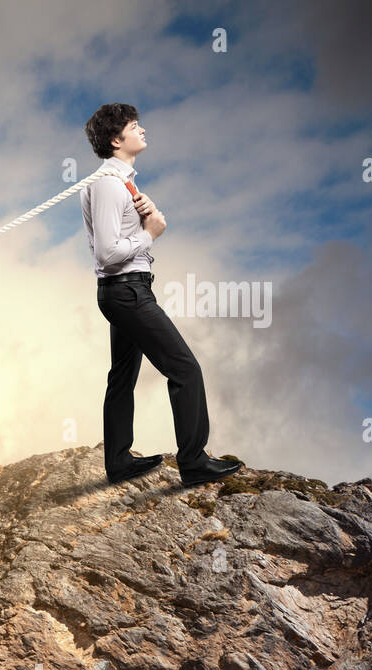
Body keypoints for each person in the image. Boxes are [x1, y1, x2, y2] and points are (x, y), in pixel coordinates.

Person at [80, 103, 243, 487]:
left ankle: (119, 462)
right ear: (116, 139)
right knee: (185, 370)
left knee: (122, 377)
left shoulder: (120, 184)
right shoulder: (107, 185)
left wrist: (145, 220)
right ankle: (193, 462)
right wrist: (150, 233)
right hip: (127, 292)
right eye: (134, 126)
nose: (142, 130)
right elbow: (106, 254)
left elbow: (118, 241)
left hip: (126, 290)